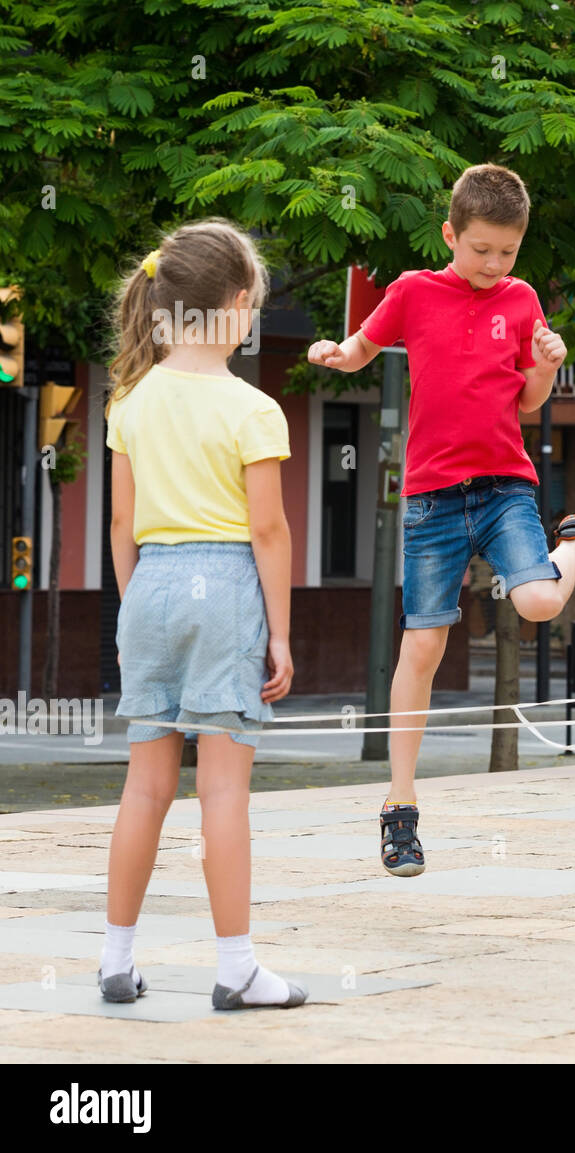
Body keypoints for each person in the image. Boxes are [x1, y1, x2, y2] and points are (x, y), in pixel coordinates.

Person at [308, 163, 575, 877]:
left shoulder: (522, 301)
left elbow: (528, 401)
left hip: (503, 487)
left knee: (538, 600)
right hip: (431, 497)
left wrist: (550, 364)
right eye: (481, 249)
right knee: (421, 650)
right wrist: (339, 356)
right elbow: (365, 346)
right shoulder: (412, 291)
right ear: (450, 234)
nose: (494, 265)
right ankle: (399, 809)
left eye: (508, 252)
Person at [102, 219, 306, 1009]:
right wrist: (279, 632)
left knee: (144, 785)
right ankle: (236, 968)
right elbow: (267, 530)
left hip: (149, 583)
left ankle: (116, 961)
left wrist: (131, 615)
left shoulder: (130, 402)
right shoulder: (253, 410)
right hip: (226, 588)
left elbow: (120, 527)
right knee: (223, 790)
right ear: (238, 302)